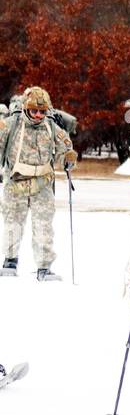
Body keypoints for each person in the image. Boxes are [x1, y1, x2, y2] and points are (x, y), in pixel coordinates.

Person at [0, 87, 76, 279]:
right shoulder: (11, 124)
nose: (38, 115)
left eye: (42, 111)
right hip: (15, 182)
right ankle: (10, 259)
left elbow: (65, 146)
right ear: (26, 108)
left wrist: (68, 157)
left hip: (42, 183)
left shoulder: (51, 127)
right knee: (12, 223)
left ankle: (44, 266)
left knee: (43, 225)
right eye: (34, 111)